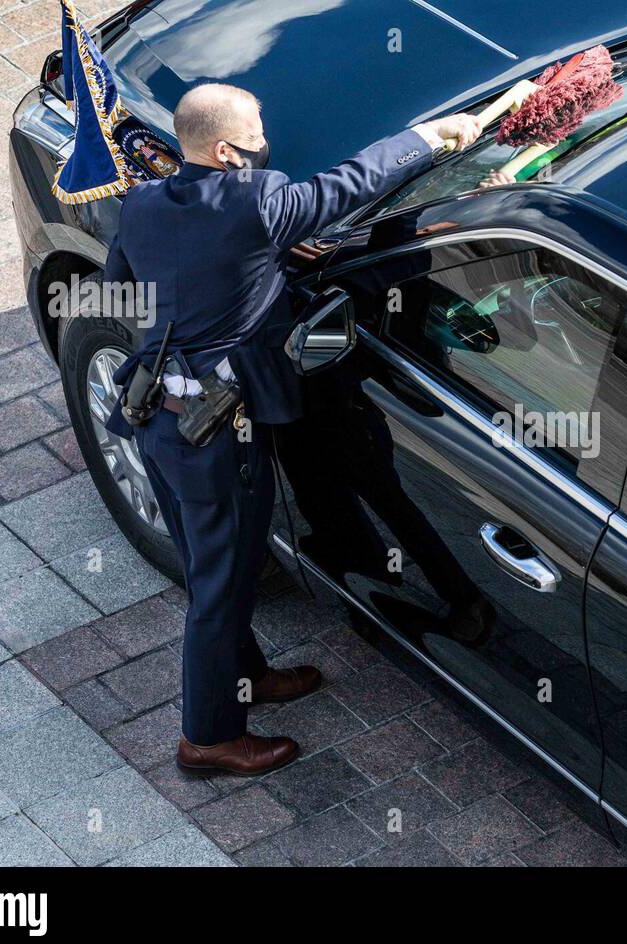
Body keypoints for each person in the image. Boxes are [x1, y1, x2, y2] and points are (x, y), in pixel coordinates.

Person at [102, 82, 483, 776]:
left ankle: (245, 680)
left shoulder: (143, 204)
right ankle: (208, 738)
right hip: (216, 438)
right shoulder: (259, 200)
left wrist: (252, 264)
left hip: (160, 418)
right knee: (223, 588)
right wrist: (433, 138)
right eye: (256, 131)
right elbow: (350, 184)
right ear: (225, 151)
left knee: (210, 571)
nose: (264, 140)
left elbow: (126, 282)